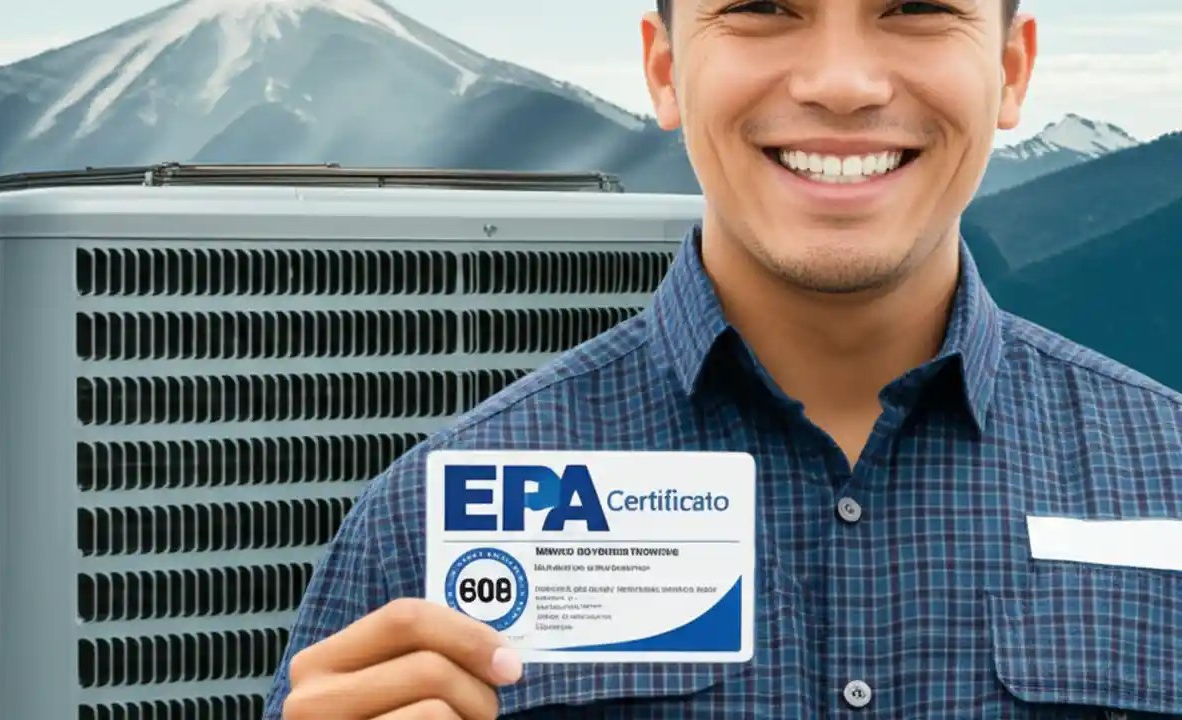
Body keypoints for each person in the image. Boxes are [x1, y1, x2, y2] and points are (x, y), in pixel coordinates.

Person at [265, 0, 1182, 717]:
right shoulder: (423, 517)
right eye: (761, 6)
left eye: (916, 7)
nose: (842, 82)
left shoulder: (1169, 473)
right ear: (665, 70)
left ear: (1011, 69)